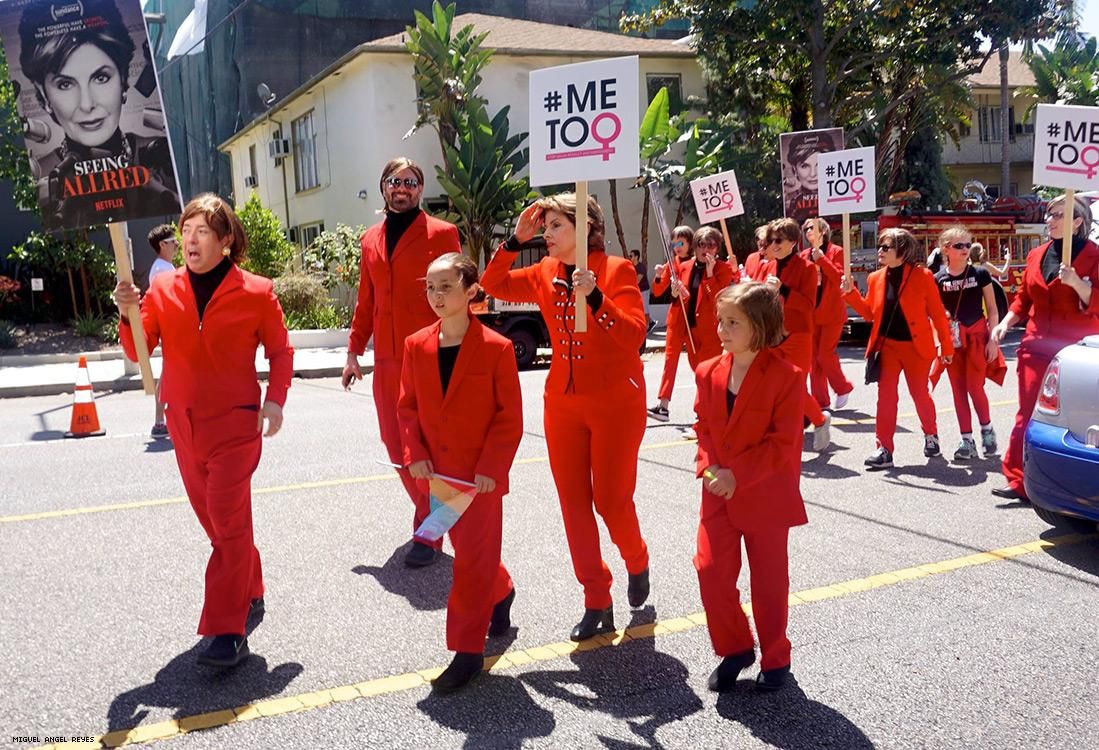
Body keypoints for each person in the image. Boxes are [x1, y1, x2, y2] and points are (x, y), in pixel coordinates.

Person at [112, 194, 293, 667]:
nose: (189, 240)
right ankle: (250, 586)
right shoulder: (164, 289)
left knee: (228, 524)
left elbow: (281, 352)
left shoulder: (257, 290)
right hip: (184, 425)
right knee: (219, 525)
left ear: (226, 240)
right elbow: (138, 348)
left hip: (235, 425)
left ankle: (226, 630)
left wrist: (275, 399)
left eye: (202, 232)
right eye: (185, 231)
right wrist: (126, 311)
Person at [481, 192, 651, 642]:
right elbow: (492, 284)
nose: (546, 234)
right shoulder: (542, 271)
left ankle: (636, 559)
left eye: (555, 226)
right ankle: (596, 595)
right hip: (563, 402)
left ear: (584, 227)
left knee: (611, 502)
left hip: (616, 400)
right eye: (545, 226)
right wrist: (515, 242)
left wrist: (595, 298)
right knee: (573, 505)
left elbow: (633, 336)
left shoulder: (616, 270)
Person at [397, 253, 523, 692]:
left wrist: (491, 467)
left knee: (469, 564)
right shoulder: (416, 345)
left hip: (480, 480)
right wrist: (414, 451)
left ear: (471, 291)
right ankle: (502, 590)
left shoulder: (496, 348)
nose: (436, 295)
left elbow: (509, 418)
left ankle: (467, 652)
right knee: (472, 554)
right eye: (430, 287)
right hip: (438, 474)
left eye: (445, 286)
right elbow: (407, 406)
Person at [342, 157, 462, 568]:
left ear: (419, 188)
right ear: (383, 187)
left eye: (410, 182)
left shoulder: (442, 233)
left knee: (425, 446)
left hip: (431, 354)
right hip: (388, 360)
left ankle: (428, 531)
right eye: (395, 181)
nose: (402, 188)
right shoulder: (370, 238)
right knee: (396, 446)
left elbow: (459, 292)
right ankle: (441, 514)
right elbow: (366, 299)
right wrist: (354, 351)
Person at [693, 281, 806, 693]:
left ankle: (776, 658)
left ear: (759, 326)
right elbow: (702, 428)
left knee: (769, 582)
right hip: (717, 493)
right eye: (720, 321)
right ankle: (735, 647)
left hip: (764, 494)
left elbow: (783, 444)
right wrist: (709, 470)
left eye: (732, 323)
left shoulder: (787, 377)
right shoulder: (707, 372)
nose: (721, 330)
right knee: (710, 572)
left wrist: (736, 474)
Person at [18, 0, 180, 231]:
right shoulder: (42, 180)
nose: (87, 104)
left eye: (101, 78)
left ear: (123, 81)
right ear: (44, 97)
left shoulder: (160, 158)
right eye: (65, 84)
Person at [990, 195, 1099, 500]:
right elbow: (1024, 298)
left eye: (1058, 216)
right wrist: (1005, 324)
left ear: (1077, 222)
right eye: (1049, 215)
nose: (1049, 220)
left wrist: (1078, 283)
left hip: (1077, 352)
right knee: (1026, 414)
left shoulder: (1094, 256)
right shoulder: (1037, 254)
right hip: (1036, 347)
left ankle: (1074, 483)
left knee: (1074, 420)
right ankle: (1018, 480)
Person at [841, 228, 954, 469]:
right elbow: (870, 314)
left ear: (903, 251)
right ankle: (884, 449)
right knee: (886, 398)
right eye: (880, 246)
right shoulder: (875, 278)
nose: (880, 251)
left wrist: (946, 347)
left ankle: (931, 434)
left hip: (916, 347)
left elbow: (937, 315)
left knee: (920, 394)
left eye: (886, 247)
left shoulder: (923, 277)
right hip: (887, 346)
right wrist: (850, 293)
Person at [746, 219, 831, 451]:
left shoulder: (806, 269)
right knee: (764, 384)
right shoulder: (765, 267)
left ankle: (820, 421)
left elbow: (808, 305)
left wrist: (783, 290)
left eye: (778, 240)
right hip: (770, 333)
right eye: (770, 240)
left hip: (797, 335)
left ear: (793, 242)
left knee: (794, 387)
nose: (772, 245)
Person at [649, 226, 737, 420]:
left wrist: (711, 273)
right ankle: (671, 407)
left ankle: (703, 415)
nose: (706, 249)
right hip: (684, 323)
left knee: (706, 370)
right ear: (695, 247)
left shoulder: (723, 269)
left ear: (717, 248)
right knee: (694, 368)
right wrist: (675, 292)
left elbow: (717, 298)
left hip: (707, 328)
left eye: (711, 245)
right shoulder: (683, 266)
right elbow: (669, 292)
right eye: (702, 244)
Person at [933, 227, 1002, 461]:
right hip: (952, 342)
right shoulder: (938, 279)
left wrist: (993, 340)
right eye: (958, 246)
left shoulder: (981, 274)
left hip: (977, 338)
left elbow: (992, 310)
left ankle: (987, 429)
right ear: (946, 249)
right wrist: (941, 344)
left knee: (975, 387)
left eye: (967, 245)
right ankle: (966, 440)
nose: (965, 250)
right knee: (958, 391)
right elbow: (933, 315)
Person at [802, 217, 854, 411]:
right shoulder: (803, 254)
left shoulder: (836, 251)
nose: (809, 232)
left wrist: (821, 260)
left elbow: (838, 277)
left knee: (825, 355)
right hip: (811, 313)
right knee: (813, 360)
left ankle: (842, 387)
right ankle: (820, 401)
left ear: (822, 231)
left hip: (831, 313)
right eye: (806, 229)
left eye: (812, 228)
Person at [146, 223, 178, 439]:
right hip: (172, 328)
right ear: (162, 245)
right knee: (169, 374)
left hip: (172, 328)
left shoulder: (164, 267)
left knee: (170, 373)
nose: (177, 245)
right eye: (173, 242)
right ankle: (159, 421)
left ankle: (162, 420)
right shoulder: (161, 270)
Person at [784, 132, 838, 224]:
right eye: (805, 166)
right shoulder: (789, 203)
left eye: (819, 165)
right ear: (795, 169)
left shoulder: (841, 201)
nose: (813, 174)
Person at [628, 250, 655, 332]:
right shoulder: (631, 266)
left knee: (644, 309)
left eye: (631, 256)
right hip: (638, 290)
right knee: (640, 308)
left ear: (636, 257)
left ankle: (647, 326)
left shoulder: (641, 267)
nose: (630, 257)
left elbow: (637, 280)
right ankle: (651, 322)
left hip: (644, 290)